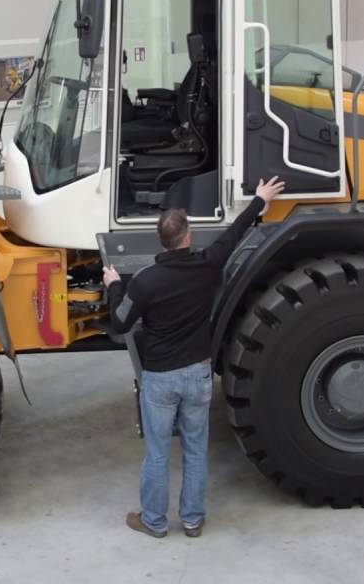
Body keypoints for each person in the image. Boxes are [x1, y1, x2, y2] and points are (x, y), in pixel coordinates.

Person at [103, 177, 286, 538]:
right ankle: (192, 520)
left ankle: (153, 521)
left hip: (160, 379)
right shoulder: (208, 265)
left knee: (157, 454)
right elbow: (232, 235)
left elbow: (121, 321)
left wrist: (114, 286)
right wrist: (259, 201)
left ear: (163, 241)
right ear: (187, 237)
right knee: (195, 450)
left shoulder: (145, 281)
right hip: (198, 375)